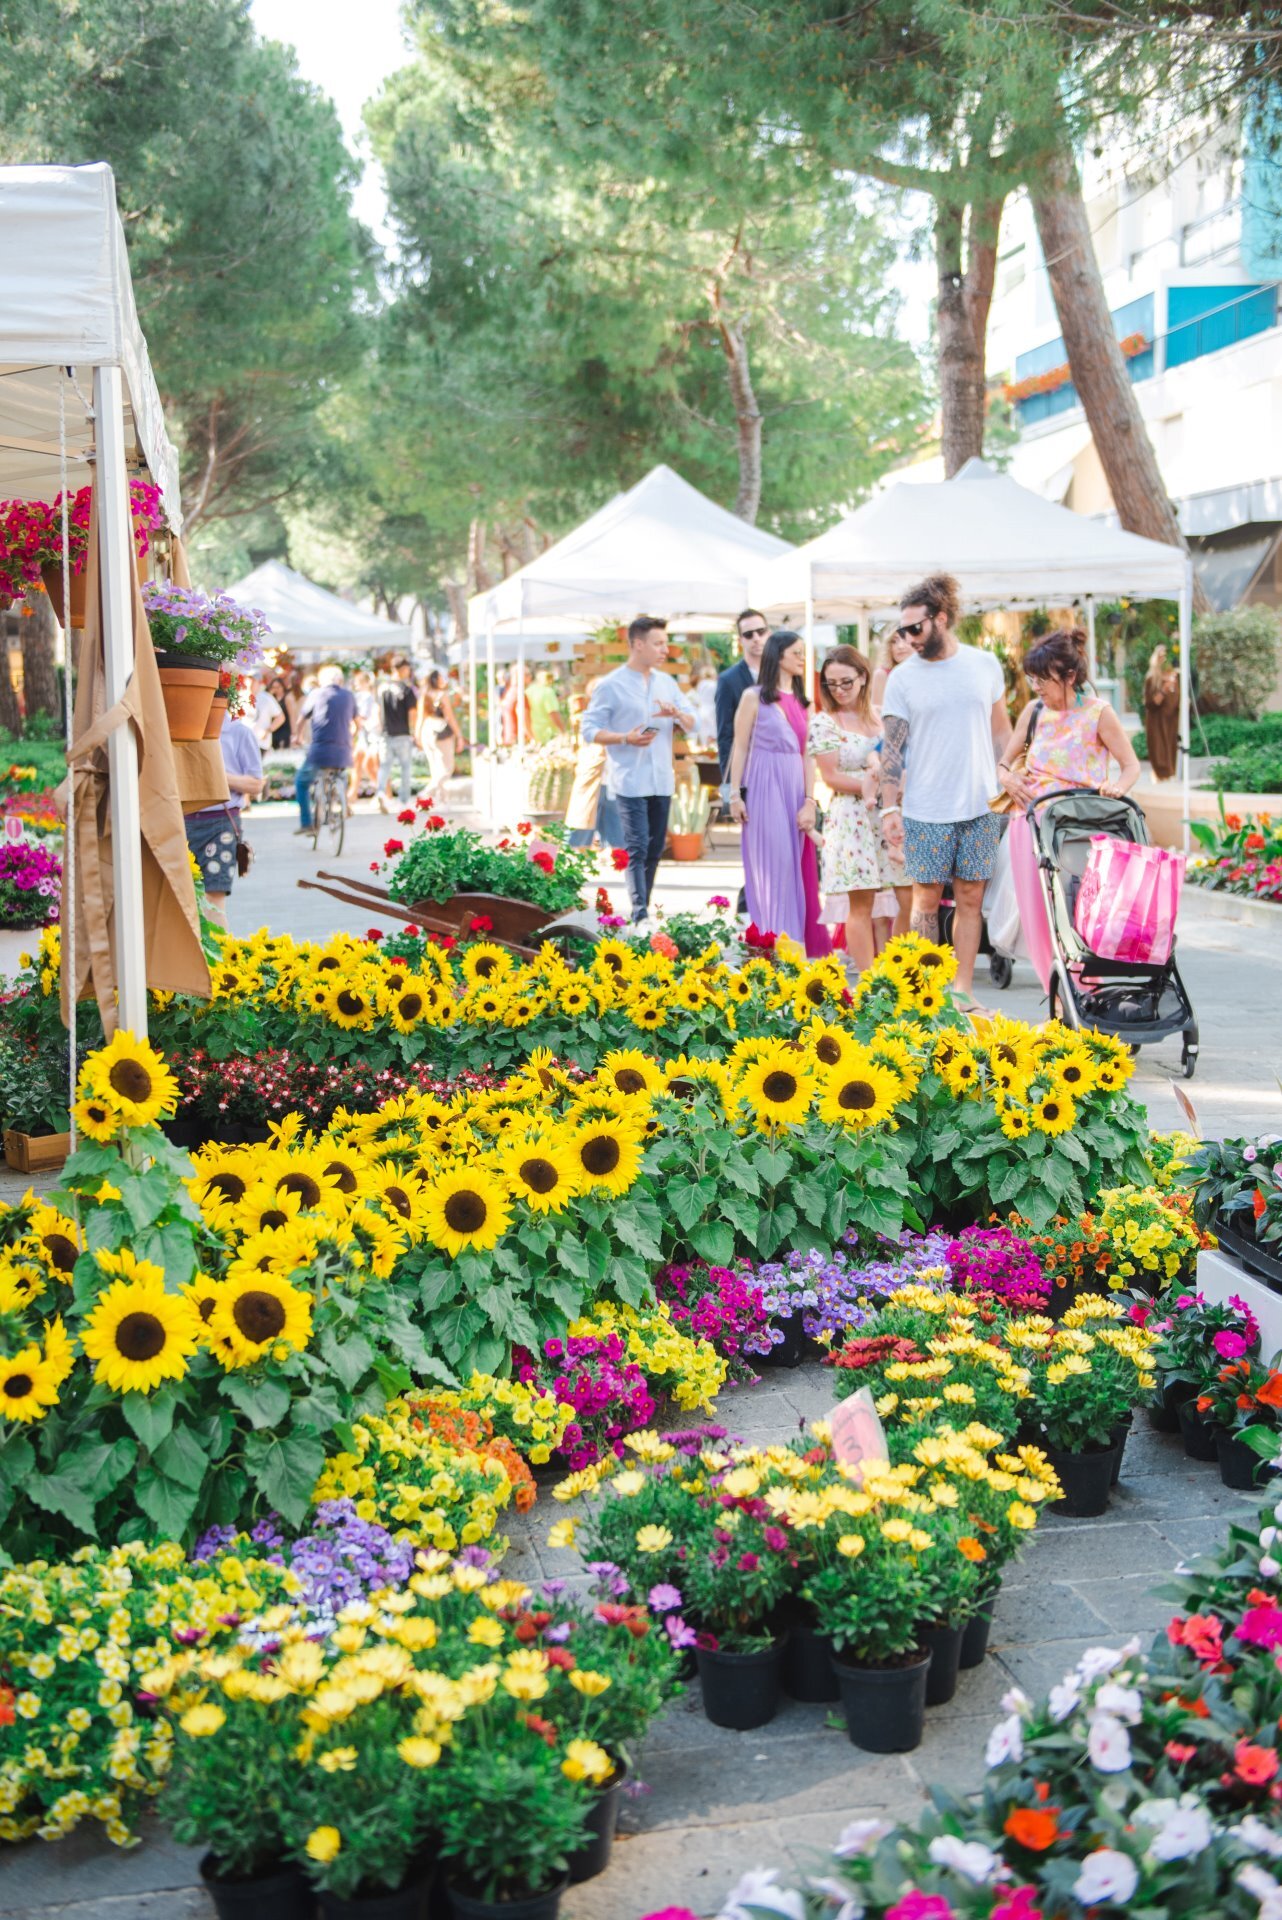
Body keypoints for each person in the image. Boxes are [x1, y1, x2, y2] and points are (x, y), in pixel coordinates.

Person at [877, 572, 1012, 1009]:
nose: (909, 638)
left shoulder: (984, 665)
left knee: (971, 899)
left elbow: (1001, 732)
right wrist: (888, 808)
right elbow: (892, 750)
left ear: (943, 618)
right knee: (926, 900)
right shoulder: (902, 678)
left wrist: (1007, 779)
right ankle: (927, 993)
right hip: (925, 806)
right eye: (903, 630)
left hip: (980, 804)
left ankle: (963, 991)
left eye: (916, 627)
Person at [991, 627, 1140, 993]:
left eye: (1044, 679)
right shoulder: (1034, 711)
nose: (1037, 686)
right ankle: (1058, 999)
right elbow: (1004, 763)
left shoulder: (1099, 713)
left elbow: (1131, 766)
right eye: (1033, 678)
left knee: (1080, 914)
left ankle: (1091, 993)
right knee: (1041, 917)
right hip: (1032, 825)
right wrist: (1007, 779)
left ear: (1070, 676)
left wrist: (1117, 789)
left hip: (1080, 828)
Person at [581, 615, 695, 924]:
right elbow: (588, 729)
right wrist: (624, 738)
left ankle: (643, 908)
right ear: (637, 644)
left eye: (666, 643)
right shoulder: (611, 685)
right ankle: (639, 913)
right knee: (637, 846)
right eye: (658, 643)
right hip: (630, 779)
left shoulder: (666, 683)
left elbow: (692, 720)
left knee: (656, 847)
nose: (664, 649)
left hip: (662, 780)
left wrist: (677, 715)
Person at [729, 629, 830, 956]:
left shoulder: (805, 703)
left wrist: (809, 801)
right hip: (763, 786)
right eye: (796, 652)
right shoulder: (753, 696)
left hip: (795, 788)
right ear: (779, 656)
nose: (803, 658)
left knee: (797, 868)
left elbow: (808, 755)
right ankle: (773, 945)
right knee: (772, 867)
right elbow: (740, 747)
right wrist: (734, 794)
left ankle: (794, 948)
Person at [809, 646, 909, 971]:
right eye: (831, 684)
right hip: (850, 817)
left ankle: (899, 970)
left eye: (846, 682)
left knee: (907, 893)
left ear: (863, 678)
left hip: (888, 816)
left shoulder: (882, 716)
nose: (838, 690)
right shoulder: (824, 722)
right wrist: (875, 785)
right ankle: (869, 982)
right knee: (861, 901)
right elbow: (831, 776)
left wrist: (891, 785)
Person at [184, 708, 264, 927]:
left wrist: (217, 776)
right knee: (183, 898)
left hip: (220, 823)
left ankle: (217, 957)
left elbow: (256, 784)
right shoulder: (181, 729)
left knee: (214, 896)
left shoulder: (238, 732)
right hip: (182, 820)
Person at [295, 665, 355, 832]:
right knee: (340, 773)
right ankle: (343, 802)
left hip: (319, 751)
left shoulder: (316, 694)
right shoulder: (349, 696)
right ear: (340, 680)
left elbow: (301, 720)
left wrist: (297, 737)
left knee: (301, 782)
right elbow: (357, 723)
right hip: (343, 751)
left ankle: (307, 824)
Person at [716, 609, 769, 797]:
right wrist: (732, 785)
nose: (756, 638)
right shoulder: (728, 680)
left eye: (761, 632)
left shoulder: (783, 673)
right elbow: (725, 735)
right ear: (740, 641)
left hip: (779, 766)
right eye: (749, 634)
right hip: (747, 769)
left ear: (768, 633)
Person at [378, 656, 418, 809]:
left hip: (386, 733)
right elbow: (412, 713)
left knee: (384, 766)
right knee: (405, 767)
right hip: (403, 733)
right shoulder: (406, 690)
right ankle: (404, 800)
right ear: (402, 669)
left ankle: (380, 792)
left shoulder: (382, 688)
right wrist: (414, 731)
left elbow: (378, 711)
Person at [420, 667, 466, 778]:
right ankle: (426, 793)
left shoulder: (424, 695)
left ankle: (437, 795)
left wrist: (417, 736)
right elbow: (449, 717)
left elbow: (420, 718)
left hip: (426, 730)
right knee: (446, 769)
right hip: (440, 731)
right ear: (437, 679)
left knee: (435, 770)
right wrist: (459, 736)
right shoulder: (441, 695)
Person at [1143, 644, 1180, 781]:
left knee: (1171, 750)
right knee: (1159, 751)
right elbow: (1151, 703)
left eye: (1166, 657)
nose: (1164, 660)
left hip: (1171, 722)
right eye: (1161, 656)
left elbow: (1177, 702)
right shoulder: (1152, 680)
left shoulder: (1174, 681)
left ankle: (1169, 776)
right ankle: (1159, 777)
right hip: (1157, 722)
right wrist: (1164, 690)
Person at [350, 668, 381, 805]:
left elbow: (361, 716)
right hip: (364, 734)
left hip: (369, 734)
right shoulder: (362, 696)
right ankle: (353, 792)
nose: (356, 685)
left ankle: (382, 791)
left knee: (369, 764)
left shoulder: (368, 697)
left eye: (358, 682)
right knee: (359, 763)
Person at [870, 625, 915, 718]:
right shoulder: (882, 674)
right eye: (894, 641)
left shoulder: (925, 673)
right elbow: (876, 712)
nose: (900, 646)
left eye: (905, 640)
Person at [526, 668, 566, 743]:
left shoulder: (528, 691)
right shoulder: (548, 692)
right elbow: (553, 713)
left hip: (533, 733)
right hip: (548, 734)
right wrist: (563, 731)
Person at [250, 674, 285, 750]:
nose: (251, 683)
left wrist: (268, 730)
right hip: (245, 741)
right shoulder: (242, 696)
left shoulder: (266, 698)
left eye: (253, 681)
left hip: (260, 743)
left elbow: (280, 717)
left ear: (259, 683)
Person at [688, 666, 719, 748]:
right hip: (712, 710)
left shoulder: (700, 685)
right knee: (712, 734)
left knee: (703, 734)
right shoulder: (715, 684)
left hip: (701, 710)